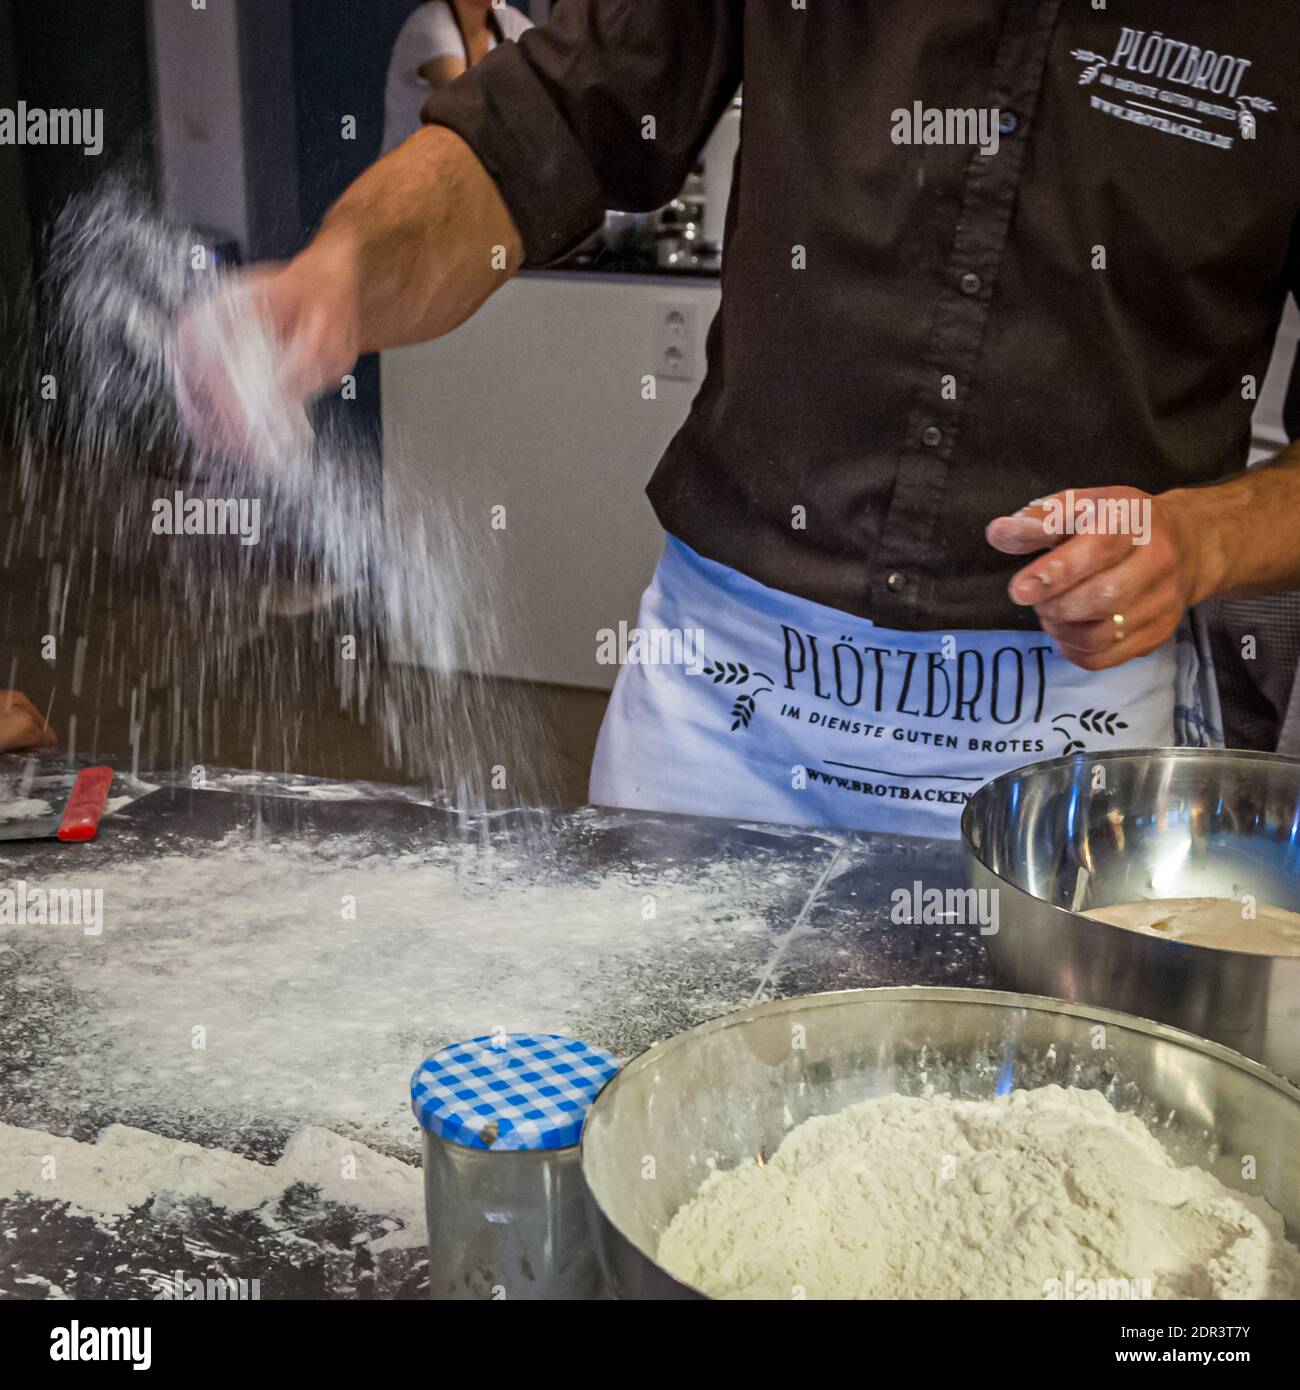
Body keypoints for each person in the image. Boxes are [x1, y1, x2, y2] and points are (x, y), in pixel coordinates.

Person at [176, 2, 1300, 836]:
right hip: (726, 705)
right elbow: (540, 129)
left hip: (1066, 729)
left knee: (1029, 1139)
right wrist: (338, 280)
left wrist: (1201, 540)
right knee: (648, 1116)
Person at [381, 1, 532, 156]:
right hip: (409, 174)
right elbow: (467, 113)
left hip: (458, 170)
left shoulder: (509, 21)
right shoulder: (430, 24)